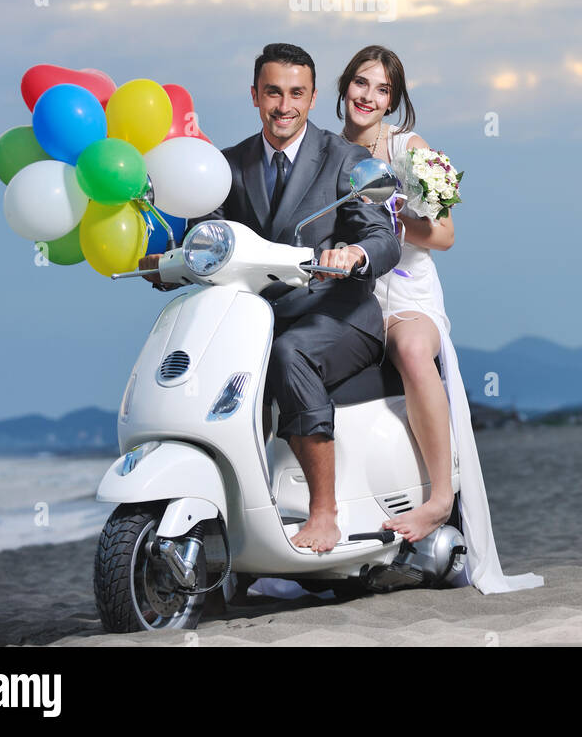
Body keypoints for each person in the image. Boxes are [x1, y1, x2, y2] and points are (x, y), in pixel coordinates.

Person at [139, 42, 400, 555]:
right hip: (256, 316)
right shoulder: (228, 166)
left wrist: (355, 253)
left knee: (288, 355)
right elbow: (202, 237)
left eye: (297, 94)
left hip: (337, 314)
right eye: (273, 92)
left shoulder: (344, 158)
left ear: (313, 97)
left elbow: (383, 236)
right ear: (255, 95)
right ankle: (225, 513)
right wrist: (165, 263)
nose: (285, 106)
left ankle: (324, 511)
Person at [337, 44, 543, 593]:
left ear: (394, 101)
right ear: (344, 86)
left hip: (407, 290)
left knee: (409, 351)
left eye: (382, 90)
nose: (369, 97)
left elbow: (445, 236)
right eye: (362, 83)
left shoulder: (410, 149)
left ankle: (438, 500)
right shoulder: (324, 150)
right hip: (349, 291)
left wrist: (390, 223)